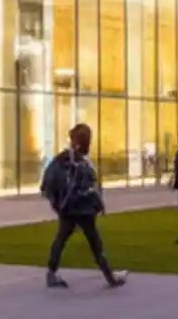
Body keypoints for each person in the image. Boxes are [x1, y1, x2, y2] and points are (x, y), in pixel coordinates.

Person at [43, 124, 127, 290]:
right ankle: (110, 276)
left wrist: (58, 204)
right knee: (94, 241)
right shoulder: (80, 163)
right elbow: (90, 187)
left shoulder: (63, 159)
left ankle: (51, 272)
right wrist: (97, 204)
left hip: (68, 208)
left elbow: (48, 182)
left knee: (61, 238)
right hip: (82, 209)